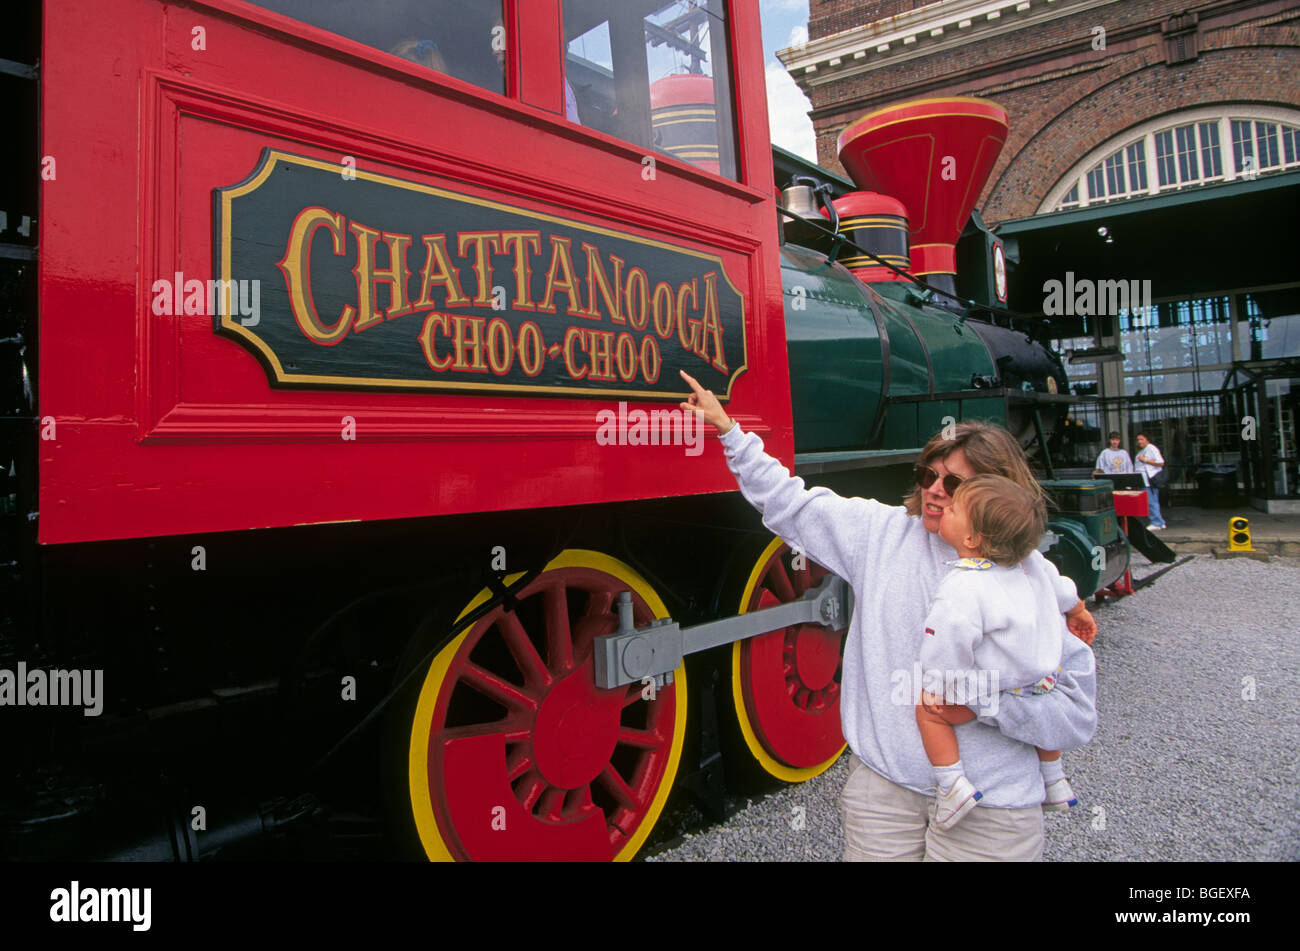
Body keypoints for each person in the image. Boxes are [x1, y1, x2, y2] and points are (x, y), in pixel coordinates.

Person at [679, 370, 1098, 861]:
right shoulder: (881, 535)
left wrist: (983, 705)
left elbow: (1074, 716)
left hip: (994, 809)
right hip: (884, 794)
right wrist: (730, 431)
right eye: (928, 475)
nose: (935, 490)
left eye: (954, 482)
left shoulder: (1032, 577)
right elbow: (789, 502)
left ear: (996, 495)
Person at [915, 474, 1079, 830]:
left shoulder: (963, 586)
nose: (946, 507)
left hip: (994, 687)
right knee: (1042, 718)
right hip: (1043, 680)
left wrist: (937, 682)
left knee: (929, 711)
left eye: (955, 509)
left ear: (972, 539)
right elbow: (1062, 591)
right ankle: (1054, 779)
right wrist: (1078, 608)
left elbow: (948, 640)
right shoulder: (1030, 563)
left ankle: (952, 784)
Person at [1135, 433, 1166, 530]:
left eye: (1141, 439)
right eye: (1138, 439)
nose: (1139, 441)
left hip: (1148, 480)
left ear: (1147, 440)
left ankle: (1156, 522)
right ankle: (1160, 522)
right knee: (1153, 501)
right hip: (1144, 480)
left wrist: (1145, 460)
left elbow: (1160, 462)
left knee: (1151, 502)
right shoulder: (1143, 450)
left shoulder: (1151, 448)